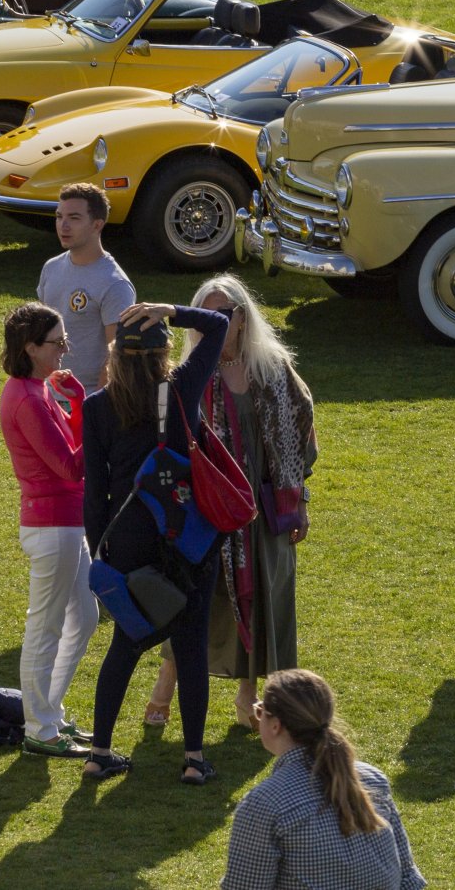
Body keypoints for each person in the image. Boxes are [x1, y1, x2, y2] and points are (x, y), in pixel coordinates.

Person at [144, 274, 316, 732]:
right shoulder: (191, 376)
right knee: (198, 598)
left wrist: (298, 500)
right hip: (207, 507)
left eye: (222, 314)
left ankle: (247, 696)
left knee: (261, 596)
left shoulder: (273, 370)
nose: (214, 323)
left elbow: (302, 431)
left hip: (262, 508)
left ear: (241, 318)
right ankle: (165, 684)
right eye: (204, 315)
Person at [79, 300, 231, 784]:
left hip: (125, 539)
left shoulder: (96, 407)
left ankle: (99, 753)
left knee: (125, 646)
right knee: (190, 646)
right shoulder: (180, 389)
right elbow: (218, 324)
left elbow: (94, 493)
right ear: (164, 352)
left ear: (115, 355)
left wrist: (101, 551)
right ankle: (193, 759)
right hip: (185, 538)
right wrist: (171, 310)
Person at [0, 302, 97, 758]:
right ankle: (39, 728)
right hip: (53, 526)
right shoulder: (28, 399)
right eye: (57, 342)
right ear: (31, 348)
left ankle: (49, 714)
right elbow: (72, 466)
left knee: (85, 617)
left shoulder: (36, 390)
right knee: (45, 628)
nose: (64, 350)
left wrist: (76, 405)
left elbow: (70, 454)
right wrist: (94, 415)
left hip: (65, 522)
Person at [221, 669, 426, 890]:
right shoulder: (373, 780)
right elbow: (409, 880)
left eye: (260, 711)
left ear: (275, 725)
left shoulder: (263, 805)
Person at [38, 182, 135, 389]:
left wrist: (95, 403)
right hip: (47, 393)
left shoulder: (115, 284)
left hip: (86, 396)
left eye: (74, 218)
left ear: (97, 225)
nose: (63, 225)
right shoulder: (51, 268)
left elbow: (117, 355)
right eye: (59, 216)